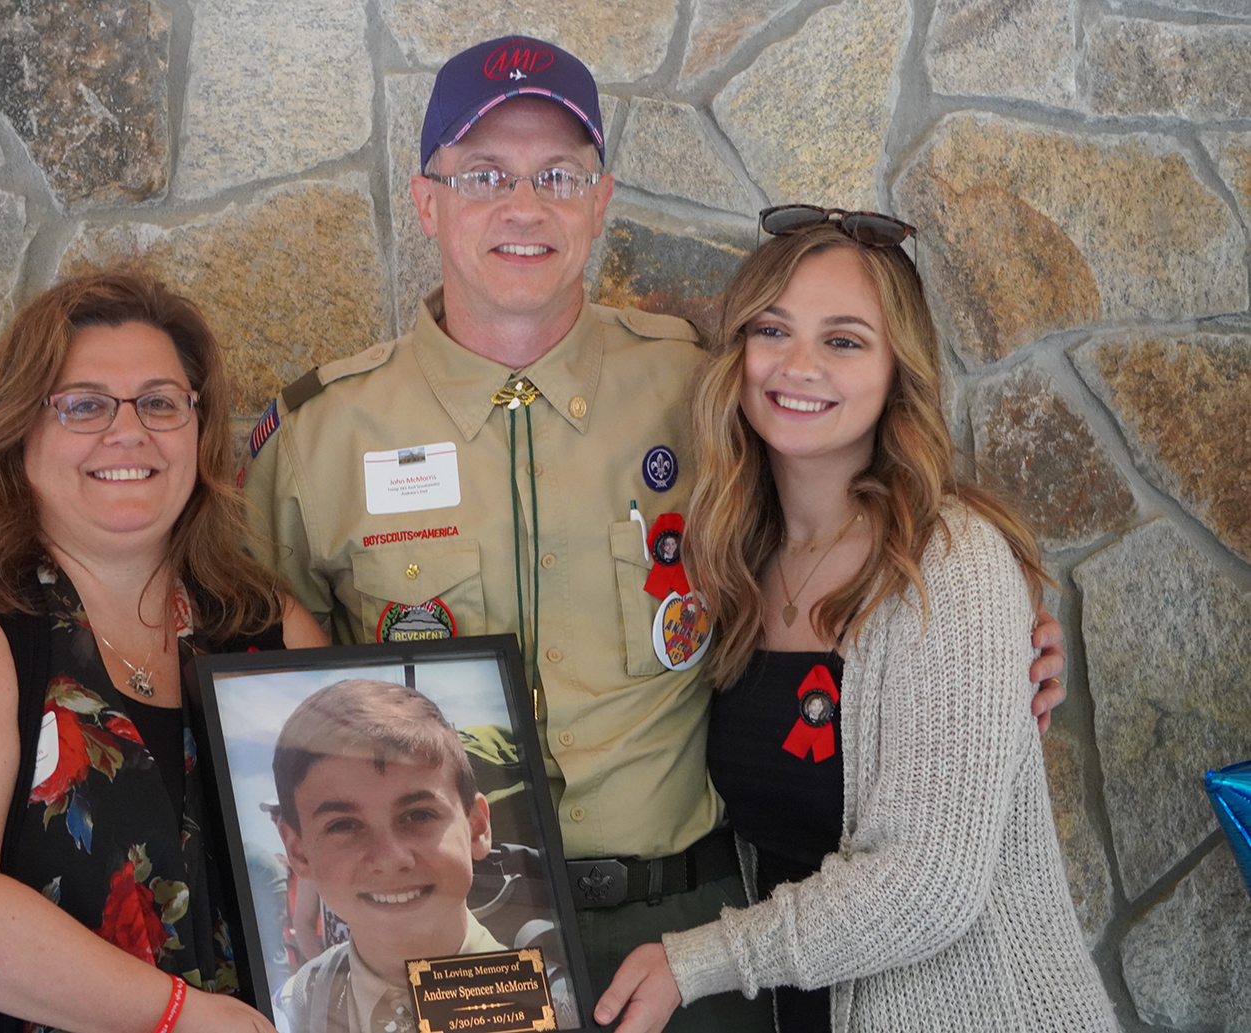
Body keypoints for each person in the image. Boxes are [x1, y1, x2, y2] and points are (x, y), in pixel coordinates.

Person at [242, 36, 1067, 1033]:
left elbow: (868, 519)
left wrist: (997, 628)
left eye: (558, 175)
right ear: (427, 201)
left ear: (600, 201)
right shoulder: (320, 436)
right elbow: (261, 682)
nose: (524, 206)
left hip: (684, 933)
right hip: (456, 939)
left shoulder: (703, 389)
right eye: (485, 175)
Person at [593, 211, 1118, 1033]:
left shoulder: (951, 564)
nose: (799, 365)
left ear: (897, 369)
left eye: (844, 340)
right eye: (773, 329)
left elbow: (928, 883)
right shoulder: (737, 560)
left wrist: (697, 960)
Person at [0, 271, 326, 1033]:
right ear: (18, 432)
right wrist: (182, 1018)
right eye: (84, 405)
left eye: (160, 402)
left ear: (197, 428)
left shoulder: (268, 627)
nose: (129, 431)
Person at [272, 679, 516, 1033]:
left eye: (419, 815)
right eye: (343, 825)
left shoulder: (560, 1000)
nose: (389, 858)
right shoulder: (288, 1015)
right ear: (298, 851)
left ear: (476, 827)